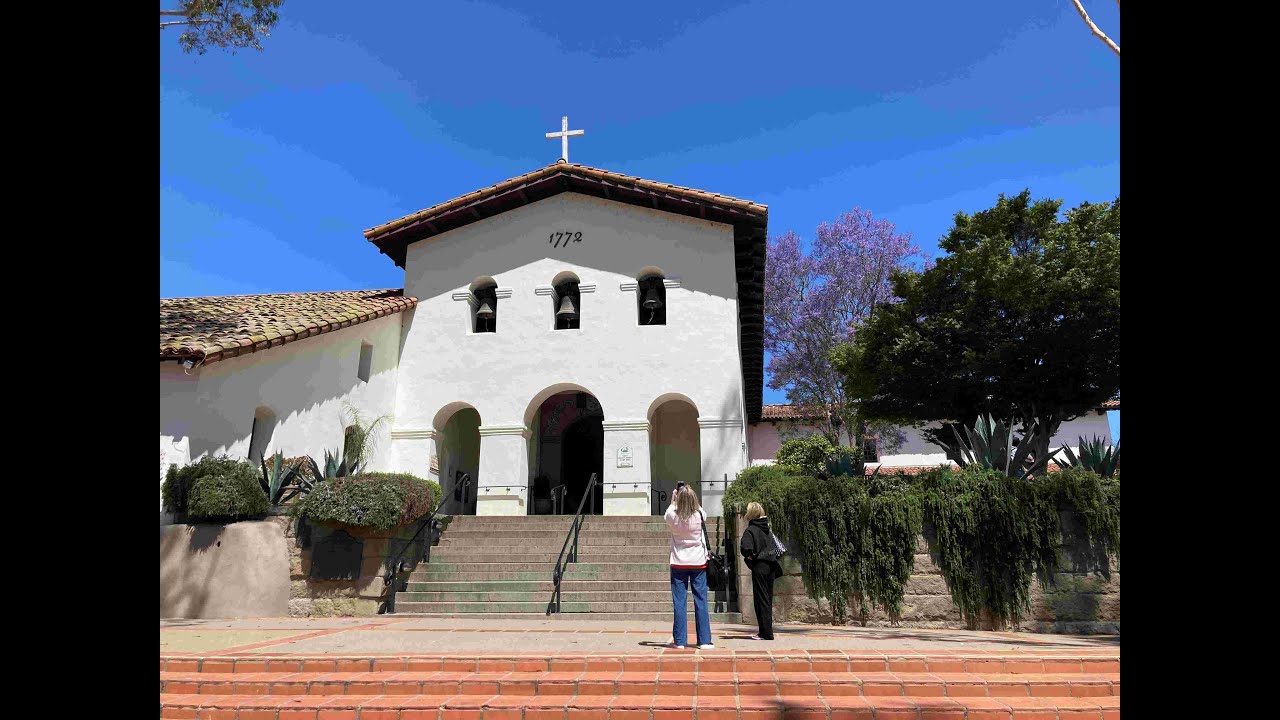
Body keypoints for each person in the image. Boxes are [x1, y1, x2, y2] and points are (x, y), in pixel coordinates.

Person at [663, 484, 714, 649]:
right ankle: (704, 640)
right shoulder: (699, 515)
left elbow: (667, 513)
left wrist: (673, 500)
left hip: (678, 562)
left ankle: (680, 640)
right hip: (698, 562)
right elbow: (700, 509)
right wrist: (692, 498)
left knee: (679, 602)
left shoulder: (673, 517)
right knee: (701, 600)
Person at [739, 501, 782, 640]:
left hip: (760, 567)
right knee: (767, 599)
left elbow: (746, 549)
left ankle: (765, 633)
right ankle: (767, 631)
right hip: (771, 566)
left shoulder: (751, 530)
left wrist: (752, 558)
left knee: (760, 600)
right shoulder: (767, 529)